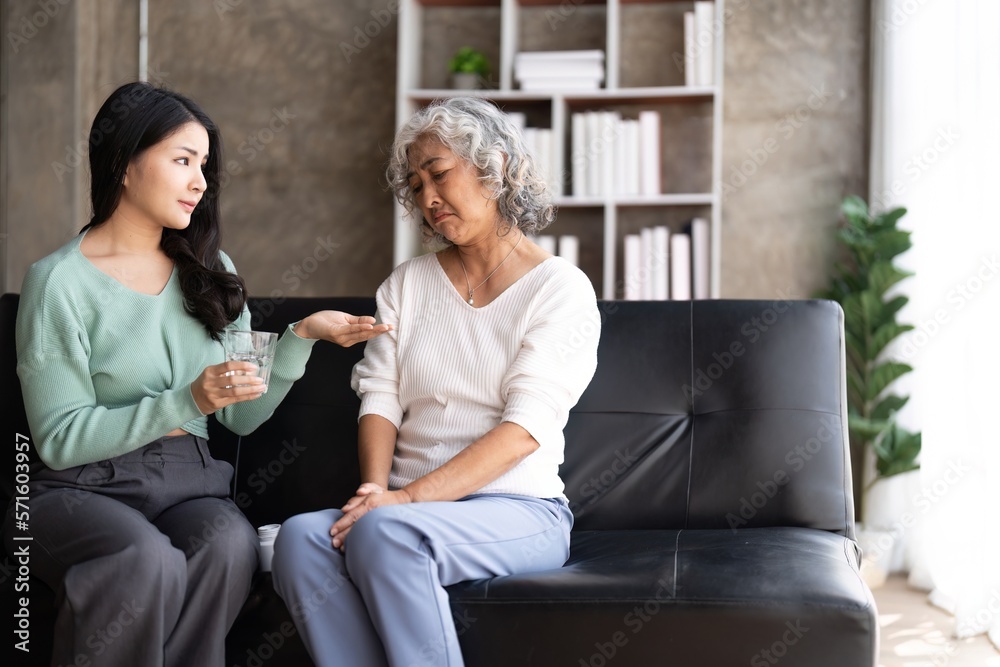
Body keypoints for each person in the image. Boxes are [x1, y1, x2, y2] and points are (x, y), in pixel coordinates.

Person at [2, 81, 390, 667]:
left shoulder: (210, 270)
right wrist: (184, 399)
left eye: (204, 165)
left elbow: (239, 416)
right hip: (78, 487)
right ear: (123, 164)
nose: (201, 182)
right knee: (145, 559)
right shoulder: (58, 282)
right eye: (183, 160)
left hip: (187, 481)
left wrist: (300, 338)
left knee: (229, 544)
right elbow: (58, 441)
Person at [271, 96, 601, 666]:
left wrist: (401, 503)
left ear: (495, 169)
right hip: (405, 510)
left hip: (519, 509)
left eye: (440, 175)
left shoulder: (560, 290)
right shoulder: (407, 284)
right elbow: (380, 395)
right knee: (300, 541)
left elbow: (526, 429)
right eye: (416, 185)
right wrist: (377, 492)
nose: (428, 199)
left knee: (386, 535)